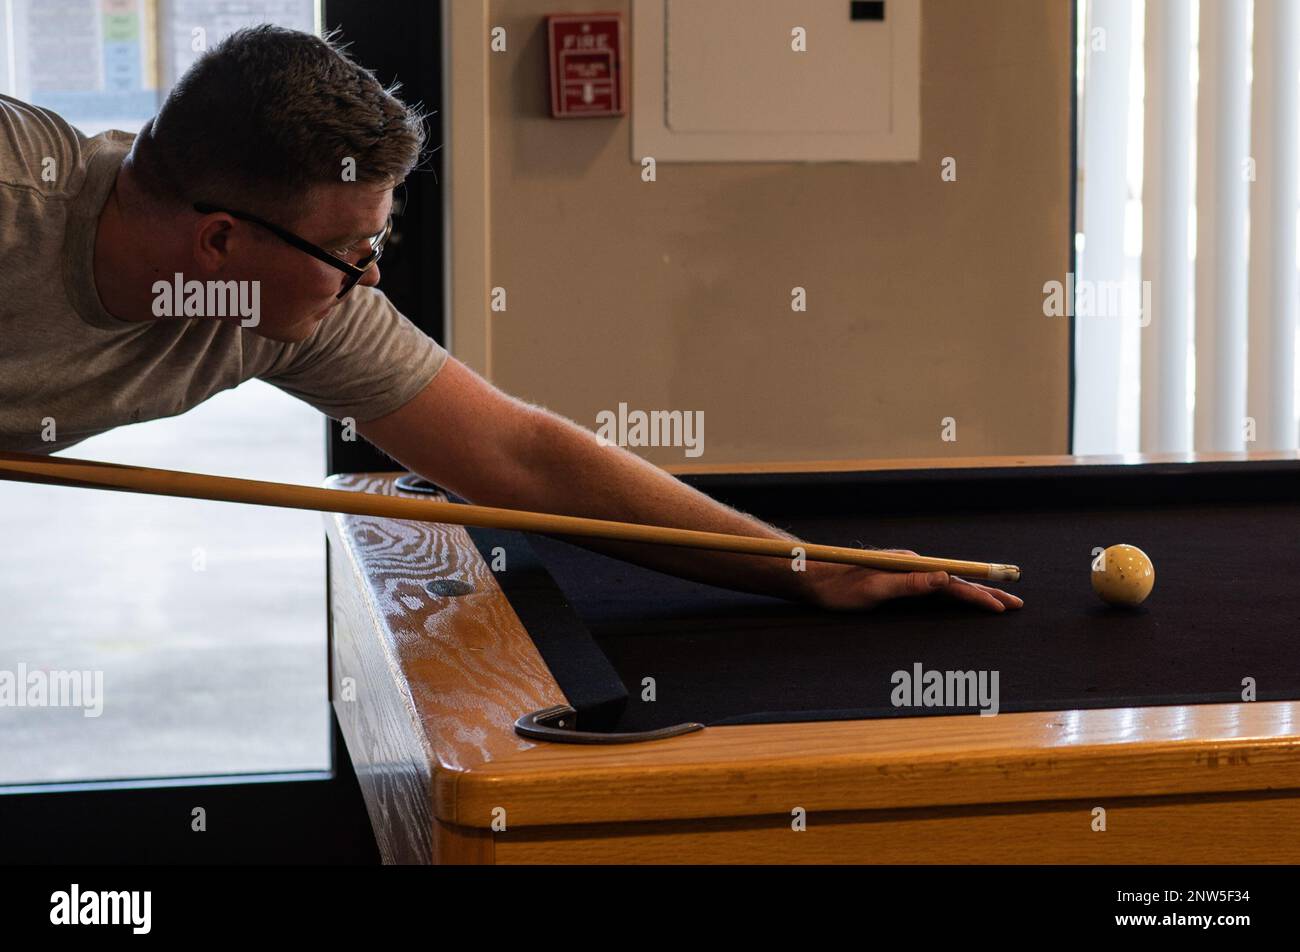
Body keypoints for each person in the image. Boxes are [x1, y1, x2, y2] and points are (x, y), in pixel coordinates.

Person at [0, 25, 1021, 614]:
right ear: (219, 242)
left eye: (377, 247)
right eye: (349, 252)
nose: (368, 281)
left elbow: (520, 458)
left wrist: (809, 568)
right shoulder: (18, 190)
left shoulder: (295, 309)